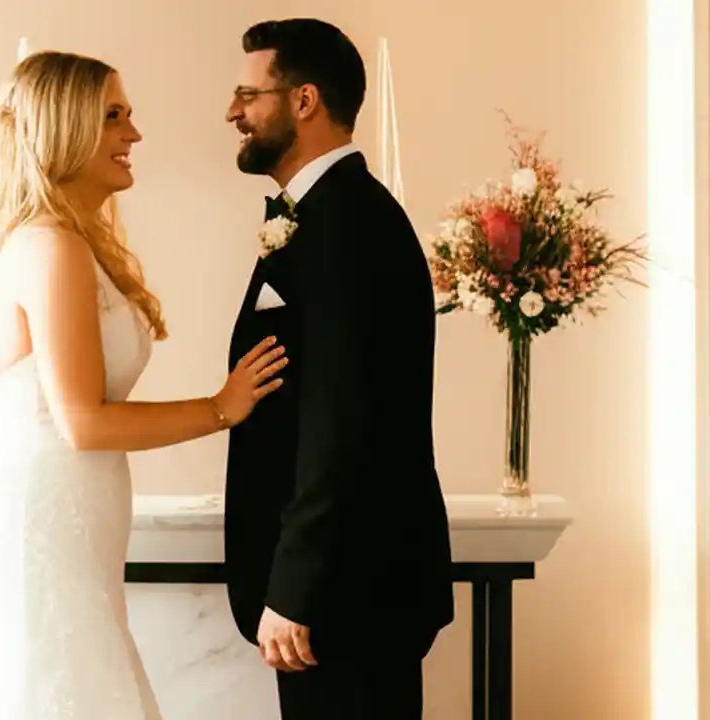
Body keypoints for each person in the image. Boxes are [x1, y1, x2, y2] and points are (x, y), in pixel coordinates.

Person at [0, 51, 286, 719]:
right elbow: (84, 423)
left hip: (73, 538)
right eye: (113, 117)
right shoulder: (51, 248)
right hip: (40, 535)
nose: (134, 134)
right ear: (62, 129)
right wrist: (221, 407)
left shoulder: (69, 243)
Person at [221, 19, 454, 719]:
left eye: (247, 93)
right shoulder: (327, 214)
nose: (233, 112)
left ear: (303, 100)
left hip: (346, 591)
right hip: (345, 589)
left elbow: (342, 418)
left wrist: (296, 586)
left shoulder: (348, 224)